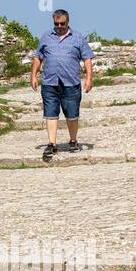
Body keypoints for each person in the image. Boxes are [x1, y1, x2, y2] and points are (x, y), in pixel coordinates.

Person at [31, 10, 94, 161]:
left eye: (62, 24)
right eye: (56, 24)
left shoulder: (78, 38)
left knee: (72, 114)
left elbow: (87, 59)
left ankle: (73, 141)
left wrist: (89, 78)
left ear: (68, 22)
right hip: (49, 82)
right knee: (50, 114)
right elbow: (38, 57)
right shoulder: (46, 36)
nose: (59, 26)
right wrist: (33, 75)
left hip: (71, 82)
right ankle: (52, 143)